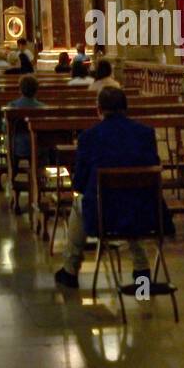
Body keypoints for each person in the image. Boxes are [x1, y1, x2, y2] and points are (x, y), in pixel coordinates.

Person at [55, 86, 163, 289]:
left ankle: (70, 269)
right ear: (126, 108)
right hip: (147, 214)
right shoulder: (145, 133)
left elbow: (79, 184)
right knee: (130, 202)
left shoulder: (89, 137)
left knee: (81, 204)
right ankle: (142, 272)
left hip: (104, 217)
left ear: (98, 109)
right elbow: (153, 170)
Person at [6, 74, 47, 169]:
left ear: (20, 89)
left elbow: (6, 127)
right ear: (36, 90)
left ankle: (12, 172)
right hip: (39, 146)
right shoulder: (42, 107)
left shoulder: (12, 105)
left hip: (17, 145)